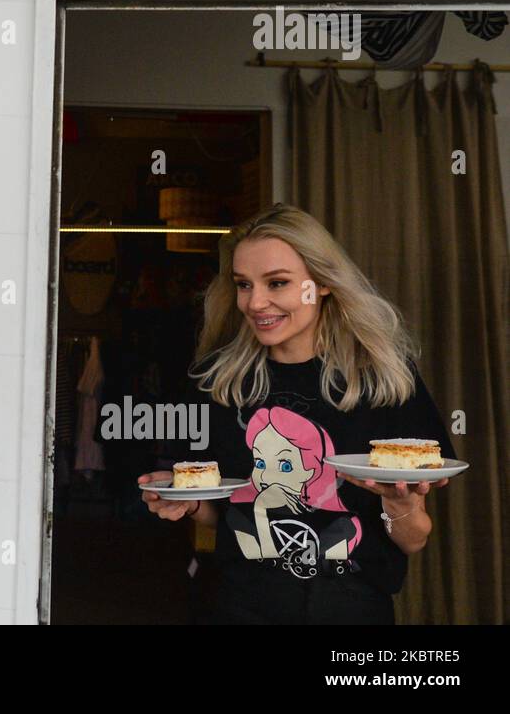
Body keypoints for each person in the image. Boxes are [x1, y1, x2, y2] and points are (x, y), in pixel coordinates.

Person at [139, 203, 454, 624]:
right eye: (243, 284)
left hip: (351, 609)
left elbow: (413, 540)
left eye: (278, 282)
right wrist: (189, 504)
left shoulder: (382, 380)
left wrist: (401, 505)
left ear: (322, 282)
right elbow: (227, 514)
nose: (255, 302)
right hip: (240, 607)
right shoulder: (219, 384)